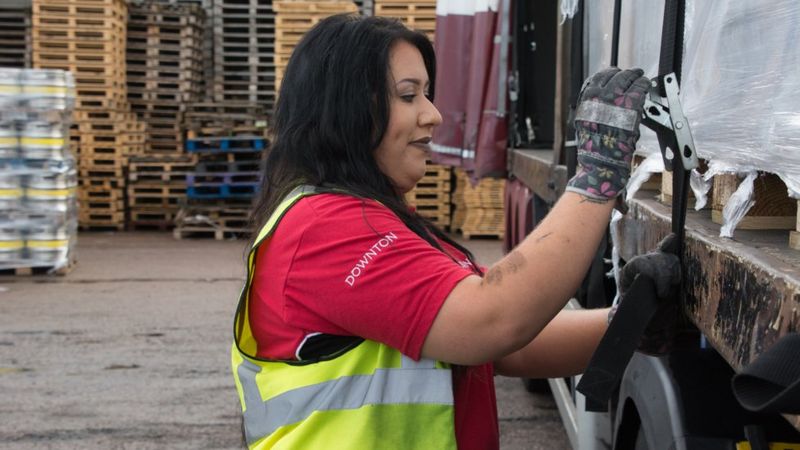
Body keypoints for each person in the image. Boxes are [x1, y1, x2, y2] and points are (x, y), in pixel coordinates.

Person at [230, 13, 675, 450]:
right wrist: (597, 179)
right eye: (408, 96)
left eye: (426, 94)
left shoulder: (374, 219)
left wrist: (627, 324)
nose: (433, 115)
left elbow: (503, 346)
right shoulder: (324, 228)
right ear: (343, 109)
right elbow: (492, 321)